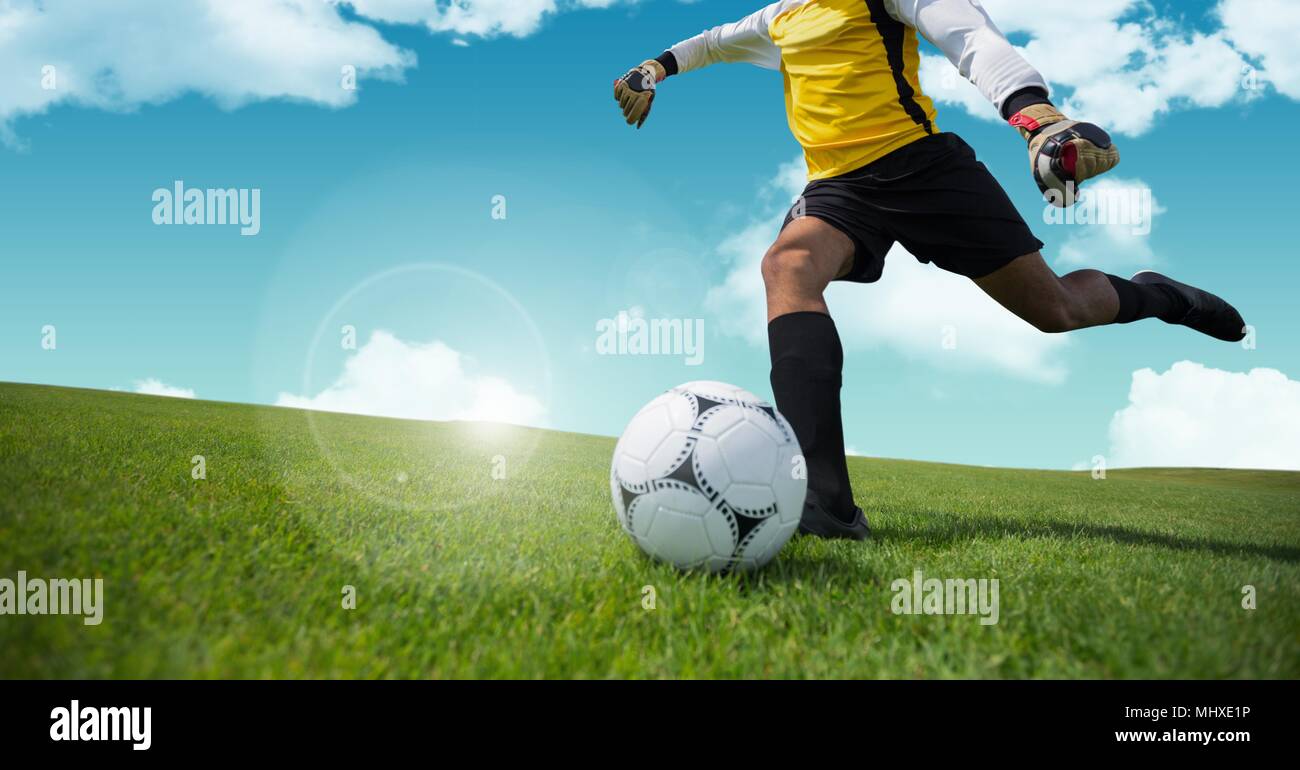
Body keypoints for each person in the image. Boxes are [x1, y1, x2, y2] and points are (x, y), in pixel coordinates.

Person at [613, 0, 1247, 540]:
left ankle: (1160, 296)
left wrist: (1034, 116)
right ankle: (827, 502)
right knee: (787, 264)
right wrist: (651, 70)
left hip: (926, 171)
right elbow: (708, 44)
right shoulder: (780, 17)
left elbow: (967, 35)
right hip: (838, 188)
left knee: (1057, 311)